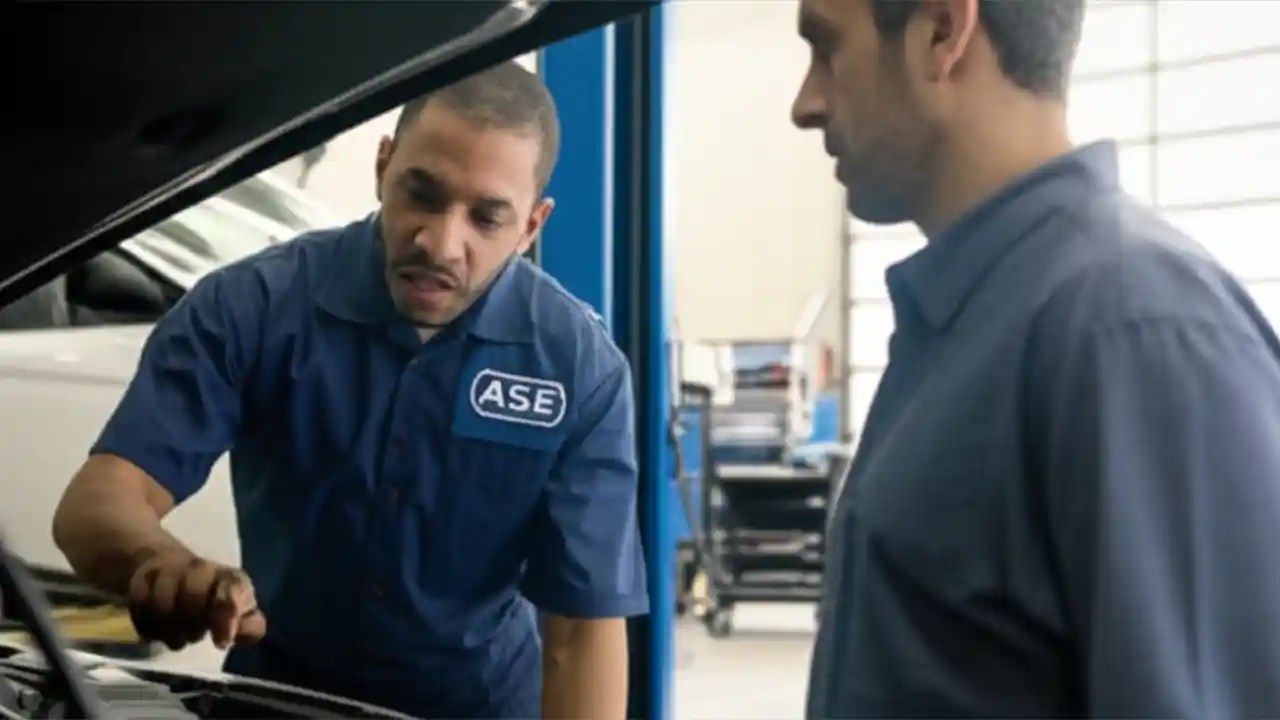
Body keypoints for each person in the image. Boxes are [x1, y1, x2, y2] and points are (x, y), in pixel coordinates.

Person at [51, 60, 647, 720]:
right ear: (383, 165)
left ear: (532, 225)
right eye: (422, 193)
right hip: (281, 702)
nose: (441, 243)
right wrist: (159, 563)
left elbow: (583, 631)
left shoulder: (577, 368)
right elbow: (98, 502)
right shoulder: (252, 307)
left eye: (486, 218)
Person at [791, 0, 1280, 717]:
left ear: (941, 33)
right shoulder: (970, 317)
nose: (805, 104)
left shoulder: (1134, 329)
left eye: (827, 47)